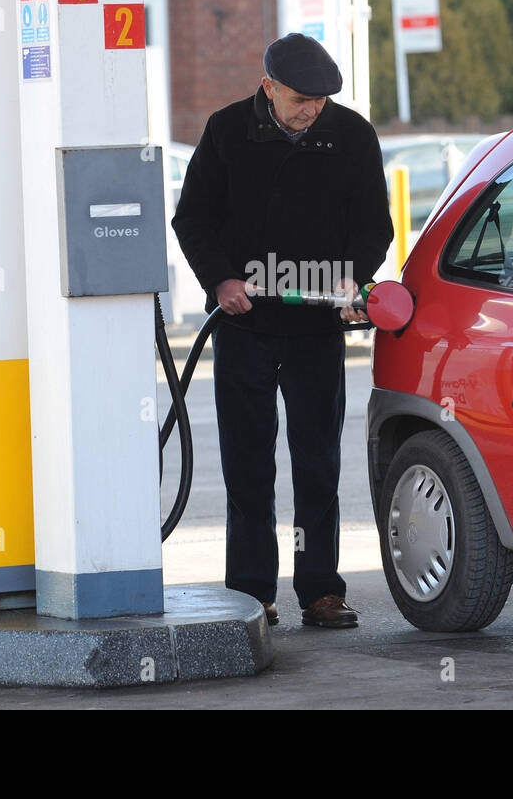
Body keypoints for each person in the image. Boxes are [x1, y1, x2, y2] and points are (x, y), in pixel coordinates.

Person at [171, 33, 393, 629]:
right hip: (245, 324)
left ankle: (320, 589)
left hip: (317, 326)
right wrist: (220, 280)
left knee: (317, 462)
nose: (311, 109)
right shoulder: (225, 133)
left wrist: (352, 280)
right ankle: (251, 593)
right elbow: (192, 216)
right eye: (300, 98)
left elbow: (375, 225)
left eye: (320, 100)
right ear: (267, 86)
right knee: (248, 464)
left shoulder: (351, 136)